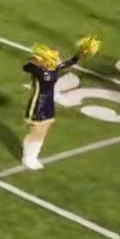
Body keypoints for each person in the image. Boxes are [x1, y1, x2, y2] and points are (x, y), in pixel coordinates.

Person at [20, 37, 96, 169]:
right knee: (37, 130)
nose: (56, 59)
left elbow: (70, 62)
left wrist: (81, 52)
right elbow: (27, 66)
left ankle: (34, 155)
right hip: (38, 102)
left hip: (49, 102)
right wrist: (36, 60)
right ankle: (27, 157)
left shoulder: (53, 69)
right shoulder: (37, 70)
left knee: (45, 128)